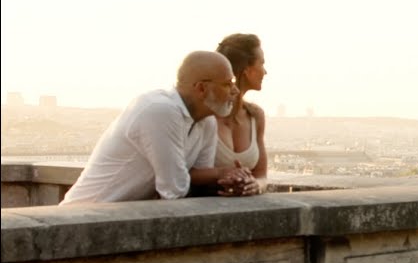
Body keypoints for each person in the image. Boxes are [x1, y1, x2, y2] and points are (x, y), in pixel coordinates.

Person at [61, 51, 257, 204]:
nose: (235, 91)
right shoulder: (160, 110)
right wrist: (220, 174)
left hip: (124, 218)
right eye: (227, 84)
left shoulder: (207, 121)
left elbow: (197, 179)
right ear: (201, 88)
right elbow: (175, 190)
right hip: (87, 217)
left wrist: (233, 178)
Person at [213, 33, 269, 190]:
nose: (265, 72)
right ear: (247, 70)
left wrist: (255, 185)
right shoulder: (205, 116)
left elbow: (262, 176)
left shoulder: (255, 116)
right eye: (262, 63)